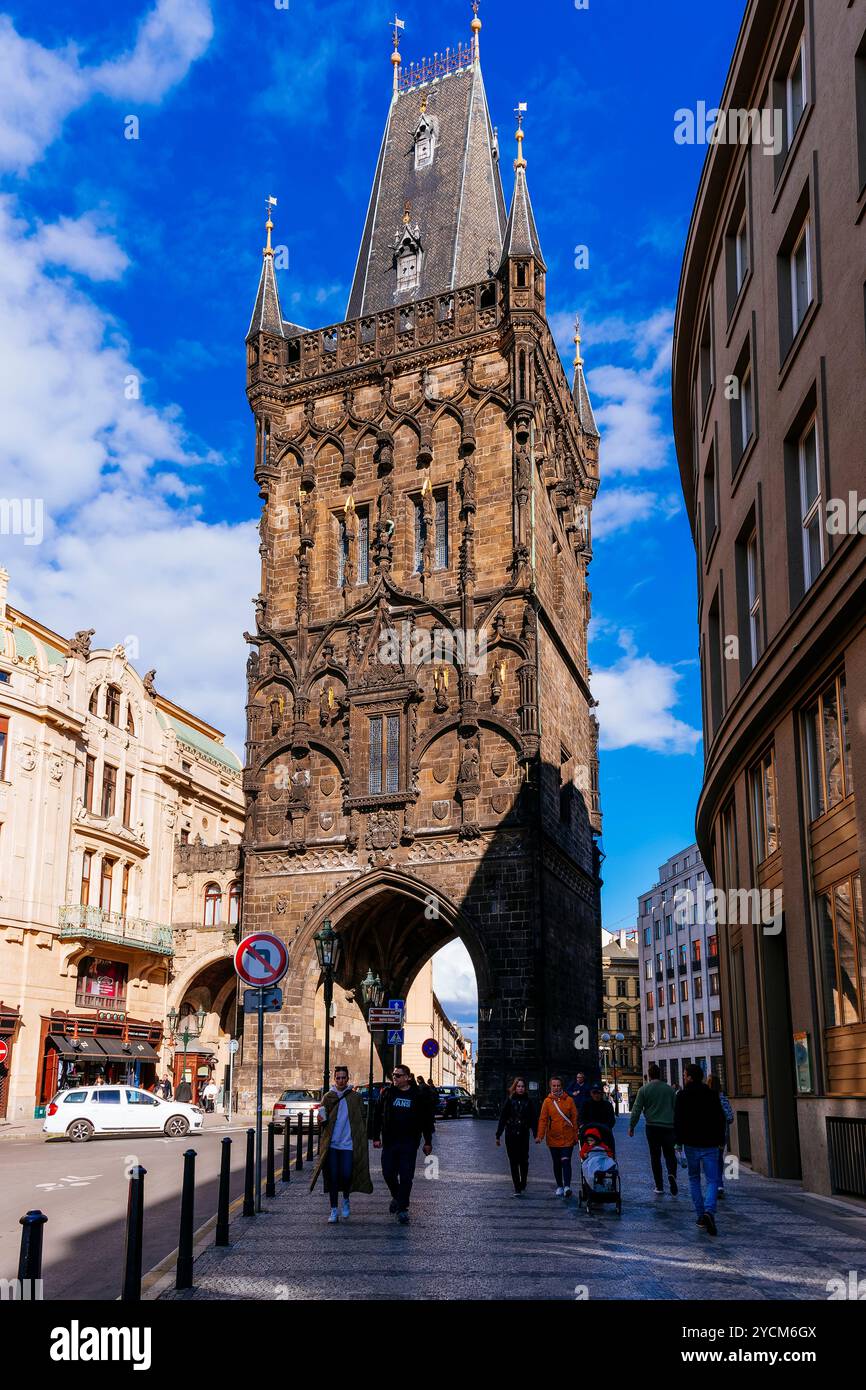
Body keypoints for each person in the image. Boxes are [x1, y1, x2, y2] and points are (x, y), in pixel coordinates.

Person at [310, 1065, 373, 1223]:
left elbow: (363, 1117)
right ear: (334, 1079)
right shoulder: (328, 1097)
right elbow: (322, 1120)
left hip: (348, 1145)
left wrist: (363, 1135)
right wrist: (320, 1119)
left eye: (343, 1077)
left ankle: (345, 1198)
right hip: (331, 1145)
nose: (341, 1080)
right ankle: (333, 1210)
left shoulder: (355, 1097)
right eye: (338, 1078)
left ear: (348, 1078)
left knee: (346, 1174)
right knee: (332, 1177)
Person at [373, 1064, 433, 1225]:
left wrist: (428, 1141)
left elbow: (426, 1120)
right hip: (390, 1141)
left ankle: (402, 1208)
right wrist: (375, 1136)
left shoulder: (417, 1095)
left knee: (406, 1176)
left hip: (409, 1142)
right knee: (387, 1173)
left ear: (408, 1077)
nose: (395, 1078)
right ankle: (397, 1196)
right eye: (393, 1075)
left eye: (398, 1075)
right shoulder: (387, 1093)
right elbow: (376, 1114)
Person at [674, 1063, 726, 1236]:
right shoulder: (711, 1094)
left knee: (694, 1178)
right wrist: (720, 1140)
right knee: (712, 1180)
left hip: (690, 1143)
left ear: (689, 1077)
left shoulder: (682, 1095)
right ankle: (709, 1211)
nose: (683, 1076)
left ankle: (700, 1215)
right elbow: (720, 1118)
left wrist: (678, 1142)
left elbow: (678, 1121)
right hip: (710, 1143)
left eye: (684, 1074)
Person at [628, 1062, 678, 1195]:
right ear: (660, 1075)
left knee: (655, 1157)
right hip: (668, 1127)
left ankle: (659, 1186)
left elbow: (636, 1109)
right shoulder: (669, 1090)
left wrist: (632, 1126)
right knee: (670, 1154)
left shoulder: (644, 1090)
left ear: (649, 1076)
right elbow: (676, 1109)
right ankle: (672, 1174)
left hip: (652, 1127)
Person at [535, 1075, 579, 1197]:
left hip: (567, 1137)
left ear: (562, 1086)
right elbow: (543, 1119)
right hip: (553, 1138)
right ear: (550, 1086)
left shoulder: (569, 1100)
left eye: (558, 1085)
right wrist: (540, 1136)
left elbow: (574, 1119)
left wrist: (576, 1135)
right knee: (556, 1163)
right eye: (554, 1085)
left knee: (566, 1161)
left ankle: (567, 1186)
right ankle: (559, 1185)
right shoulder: (547, 1102)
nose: (556, 1088)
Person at [495, 1076, 538, 1195]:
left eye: (522, 1086)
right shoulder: (509, 1100)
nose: (520, 1088)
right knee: (513, 1161)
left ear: (525, 1088)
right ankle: (517, 1187)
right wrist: (498, 1135)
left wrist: (536, 1134)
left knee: (524, 1160)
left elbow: (533, 1119)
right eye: (518, 1086)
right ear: (515, 1087)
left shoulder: (529, 1101)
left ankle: (523, 1182)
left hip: (524, 1134)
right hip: (511, 1134)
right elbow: (503, 1118)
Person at [706, 1074, 734, 1199]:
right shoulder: (723, 1099)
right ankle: (720, 1184)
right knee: (719, 1158)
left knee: (710, 1159)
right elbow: (730, 1118)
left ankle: (713, 1184)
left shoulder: (704, 1099)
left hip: (708, 1135)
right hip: (721, 1134)